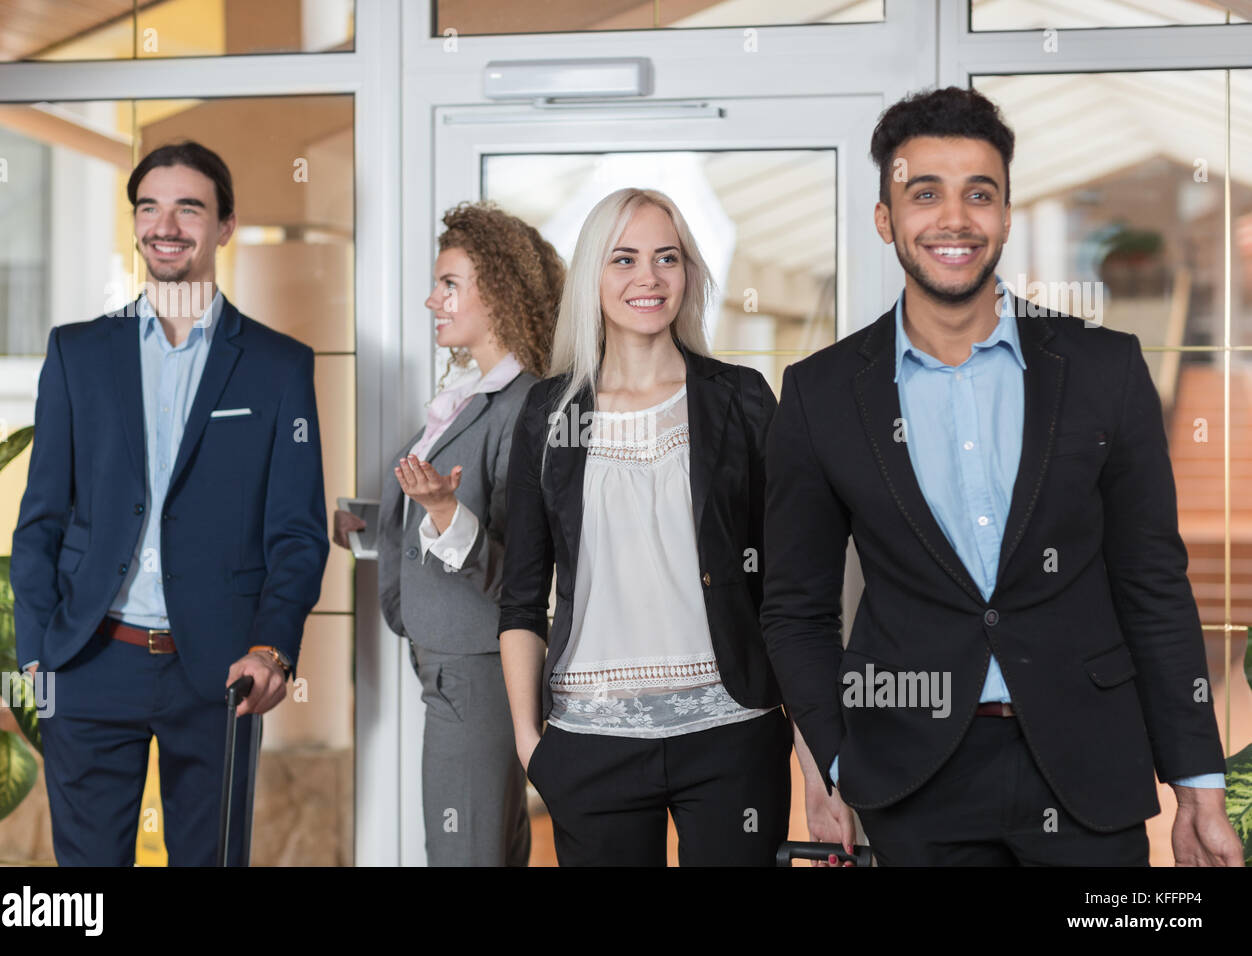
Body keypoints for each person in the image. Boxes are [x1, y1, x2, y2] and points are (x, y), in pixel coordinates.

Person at [761, 86, 1243, 866]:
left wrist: (1198, 785)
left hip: (1089, 770)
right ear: (886, 219)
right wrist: (838, 758)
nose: (954, 219)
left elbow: (1153, 581)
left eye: (978, 194)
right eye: (925, 194)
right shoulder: (819, 394)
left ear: (1007, 216)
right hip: (911, 777)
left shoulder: (1105, 368)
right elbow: (794, 607)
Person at [12, 140, 329, 866]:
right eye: (149, 207)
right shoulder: (78, 354)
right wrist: (37, 656)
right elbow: (41, 519)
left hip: (219, 670)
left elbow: (297, 532)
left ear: (224, 226)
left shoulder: (279, 367)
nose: (166, 224)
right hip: (90, 661)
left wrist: (272, 647)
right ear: (134, 224)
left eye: (189, 207)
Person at [498, 187, 792, 867]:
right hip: (588, 744)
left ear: (689, 273)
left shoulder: (741, 399)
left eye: (667, 257)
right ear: (594, 278)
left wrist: (807, 742)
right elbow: (520, 596)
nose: (648, 278)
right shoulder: (549, 412)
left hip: (733, 736)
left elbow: (785, 587)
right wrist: (528, 742)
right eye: (624, 259)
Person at [334, 201, 563, 865]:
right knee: (485, 847)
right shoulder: (471, 392)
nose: (431, 299)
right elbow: (443, 505)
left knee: (465, 852)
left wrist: (438, 512)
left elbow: (523, 567)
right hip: (448, 658)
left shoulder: (525, 404)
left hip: (482, 665)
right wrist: (375, 523)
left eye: (449, 284)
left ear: (498, 291)